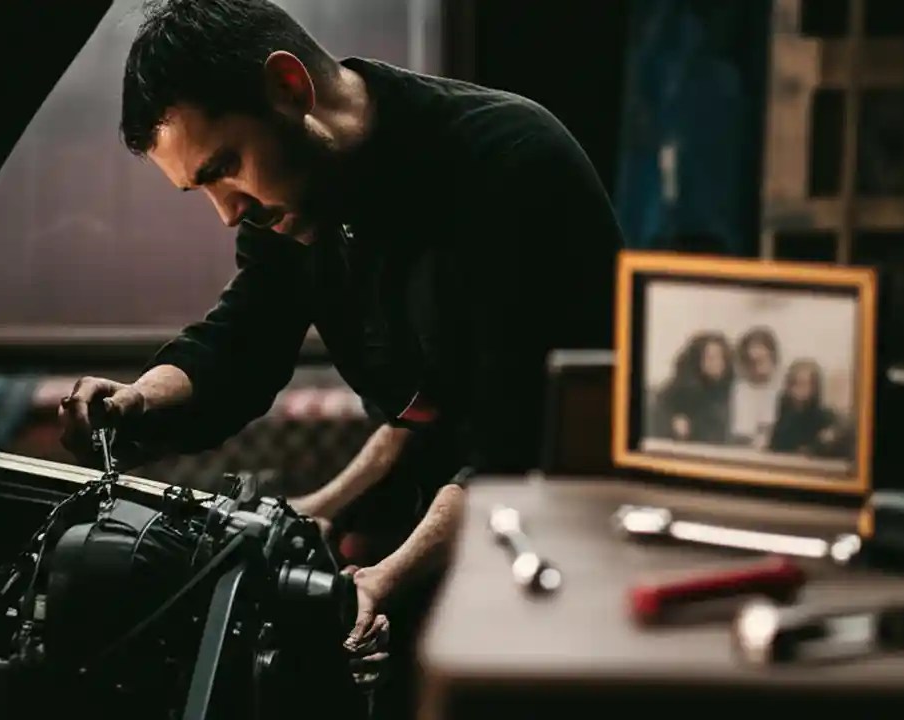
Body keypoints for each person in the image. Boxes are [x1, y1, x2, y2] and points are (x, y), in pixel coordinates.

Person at [55, 1, 623, 716]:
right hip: (456, 504)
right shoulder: (298, 195)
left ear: (290, 89)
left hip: (565, 545)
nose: (229, 212)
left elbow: (515, 448)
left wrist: (381, 580)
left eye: (225, 168)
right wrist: (140, 399)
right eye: (203, 189)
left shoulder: (511, 166)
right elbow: (245, 339)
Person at [650, 331, 734, 444]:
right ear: (697, 360)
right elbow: (658, 422)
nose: (718, 363)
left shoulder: (734, 390)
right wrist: (672, 424)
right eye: (711, 358)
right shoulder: (675, 391)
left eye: (721, 357)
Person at [767, 358, 839, 456]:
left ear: (815, 388)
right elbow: (775, 447)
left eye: (803, 384)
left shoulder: (825, 418)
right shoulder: (784, 412)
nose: (796, 390)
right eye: (793, 383)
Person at [729, 326, 781, 449]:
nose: (759, 368)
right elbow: (740, 432)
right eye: (753, 362)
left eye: (763, 360)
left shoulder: (782, 391)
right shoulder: (738, 391)